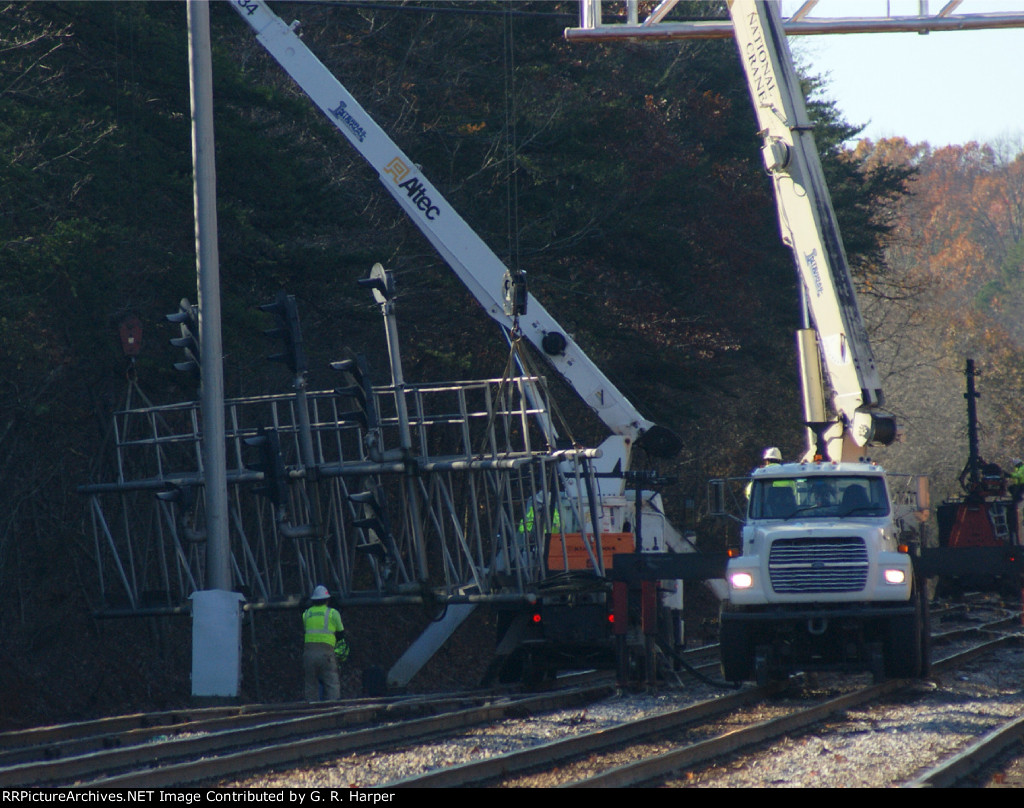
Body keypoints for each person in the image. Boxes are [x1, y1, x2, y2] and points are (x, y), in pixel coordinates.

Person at [302, 584, 346, 701]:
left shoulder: (306, 614)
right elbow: (341, 634)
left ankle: (312, 711)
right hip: (326, 653)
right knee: (331, 683)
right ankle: (332, 709)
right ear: (327, 599)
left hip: (309, 654)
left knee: (311, 684)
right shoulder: (333, 613)